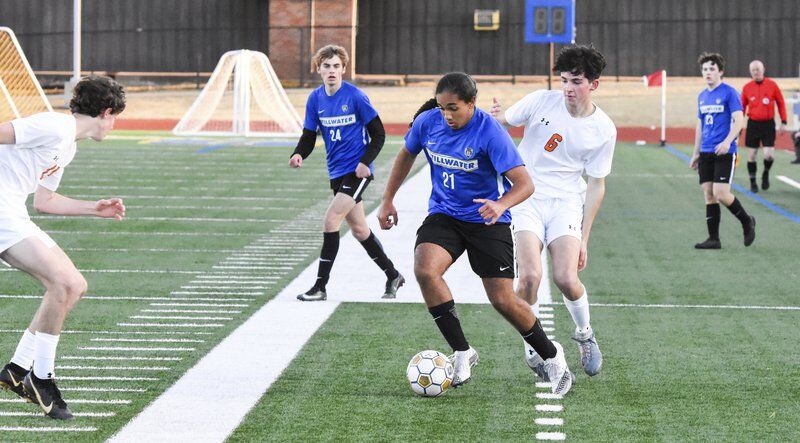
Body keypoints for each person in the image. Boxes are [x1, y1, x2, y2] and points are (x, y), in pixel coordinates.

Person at [378, 72, 574, 395]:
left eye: (453, 108)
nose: (446, 115)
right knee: (425, 270)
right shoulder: (428, 123)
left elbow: (525, 184)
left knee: (502, 300)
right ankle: (462, 352)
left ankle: (553, 357)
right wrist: (387, 200)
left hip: (488, 221)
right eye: (442, 108)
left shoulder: (491, 132)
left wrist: (500, 205)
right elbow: (405, 155)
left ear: (471, 103)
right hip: (445, 214)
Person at [0, 75, 126, 420]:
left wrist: (93, 208)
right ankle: (41, 378)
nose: (113, 126)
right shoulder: (53, 126)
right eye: (115, 118)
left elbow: (45, 201)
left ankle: (17, 369)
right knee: (63, 284)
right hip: (1, 211)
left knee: (75, 286)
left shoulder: (67, 144)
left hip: (13, 212)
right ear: (107, 111)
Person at [490, 44, 615, 379]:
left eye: (575, 81)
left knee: (566, 278)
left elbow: (596, 184)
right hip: (526, 196)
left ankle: (585, 334)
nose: (567, 89)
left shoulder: (603, 129)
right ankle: (534, 350)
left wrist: (584, 238)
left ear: (594, 84)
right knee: (529, 277)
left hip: (566, 203)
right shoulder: (541, 101)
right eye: (563, 80)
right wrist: (496, 116)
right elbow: (503, 121)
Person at [290, 44, 404, 301]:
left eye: (336, 66)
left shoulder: (356, 97)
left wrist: (365, 162)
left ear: (343, 69)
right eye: (326, 66)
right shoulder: (315, 99)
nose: (331, 71)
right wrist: (298, 154)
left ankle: (320, 287)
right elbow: (309, 137)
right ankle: (393, 274)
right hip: (336, 172)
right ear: (318, 69)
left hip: (357, 172)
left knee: (331, 220)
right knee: (360, 230)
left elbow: (379, 134)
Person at [689, 52, 756, 250]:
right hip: (706, 152)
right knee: (708, 193)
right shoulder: (702, 96)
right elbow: (700, 126)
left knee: (721, 194)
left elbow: (739, 120)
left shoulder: (729, 93)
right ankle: (713, 239)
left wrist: (728, 141)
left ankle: (747, 221)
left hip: (725, 152)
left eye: (711, 69)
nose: (707, 73)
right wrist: (696, 152)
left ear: (720, 71)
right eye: (704, 69)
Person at [741, 60, 787, 192]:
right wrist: (738, 125)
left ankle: (765, 172)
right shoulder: (747, 88)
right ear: (750, 72)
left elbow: (781, 103)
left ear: (763, 69)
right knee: (752, 155)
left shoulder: (772, 85)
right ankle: (753, 182)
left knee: (769, 155)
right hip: (753, 124)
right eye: (753, 70)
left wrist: (784, 121)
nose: (756, 72)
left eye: (758, 69)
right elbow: (741, 108)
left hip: (768, 125)